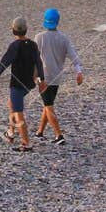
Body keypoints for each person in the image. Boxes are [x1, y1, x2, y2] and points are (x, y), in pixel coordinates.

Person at [0, 17, 44, 151]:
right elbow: (39, 63)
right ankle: (11, 132)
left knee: (18, 112)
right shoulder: (33, 44)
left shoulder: (15, 46)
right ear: (26, 29)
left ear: (13, 30)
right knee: (11, 104)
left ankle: (26, 143)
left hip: (18, 84)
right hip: (29, 83)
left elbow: (5, 62)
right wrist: (42, 79)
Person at [35, 8, 83, 145]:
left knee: (48, 106)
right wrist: (79, 72)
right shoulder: (64, 38)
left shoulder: (39, 37)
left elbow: (33, 58)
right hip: (57, 78)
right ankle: (40, 131)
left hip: (42, 78)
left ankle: (58, 135)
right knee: (47, 104)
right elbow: (74, 56)